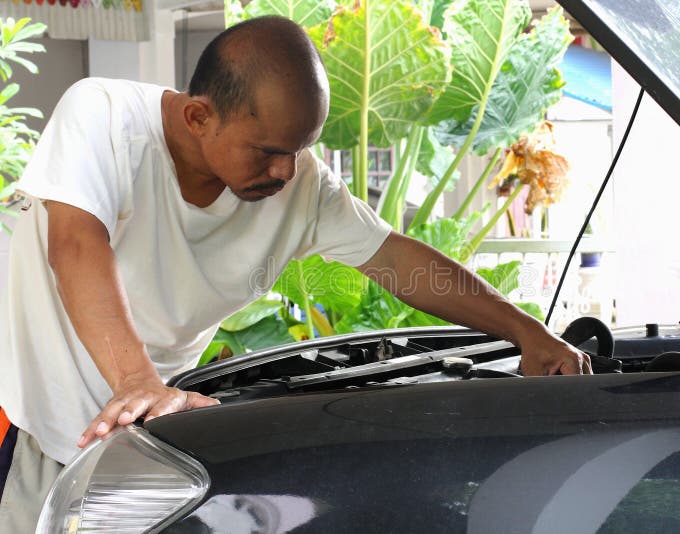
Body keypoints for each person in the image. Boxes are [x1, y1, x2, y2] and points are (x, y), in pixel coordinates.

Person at [0, 15, 591, 531]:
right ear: (199, 116)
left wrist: (529, 333)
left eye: (301, 148)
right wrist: (136, 382)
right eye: (267, 150)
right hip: (35, 426)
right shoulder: (102, 116)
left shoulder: (299, 184)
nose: (287, 170)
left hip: (151, 440)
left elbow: (399, 260)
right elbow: (76, 245)